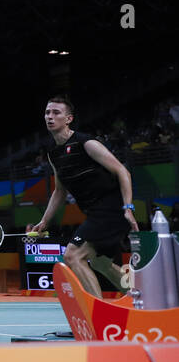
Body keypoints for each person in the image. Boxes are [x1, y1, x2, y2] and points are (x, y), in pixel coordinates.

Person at [27, 96, 138, 298]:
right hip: (94, 212)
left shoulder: (86, 143)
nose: (50, 117)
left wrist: (128, 208)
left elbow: (123, 172)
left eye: (56, 113)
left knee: (73, 255)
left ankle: (96, 315)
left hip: (111, 208)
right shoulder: (54, 154)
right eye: (47, 112)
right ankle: (142, 300)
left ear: (68, 119)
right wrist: (44, 221)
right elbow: (60, 191)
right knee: (100, 262)